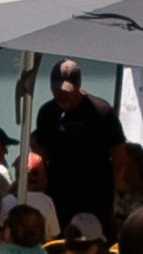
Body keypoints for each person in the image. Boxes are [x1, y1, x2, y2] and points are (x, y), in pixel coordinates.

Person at [29, 65, 122, 236]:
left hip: (96, 194)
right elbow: (42, 151)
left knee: (94, 241)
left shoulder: (101, 111)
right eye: (56, 90)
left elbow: (119, 156)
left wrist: (117, 196)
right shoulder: (47, 113)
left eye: (66, 91)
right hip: (59, 193)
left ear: (78, 86)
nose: (60, 95)